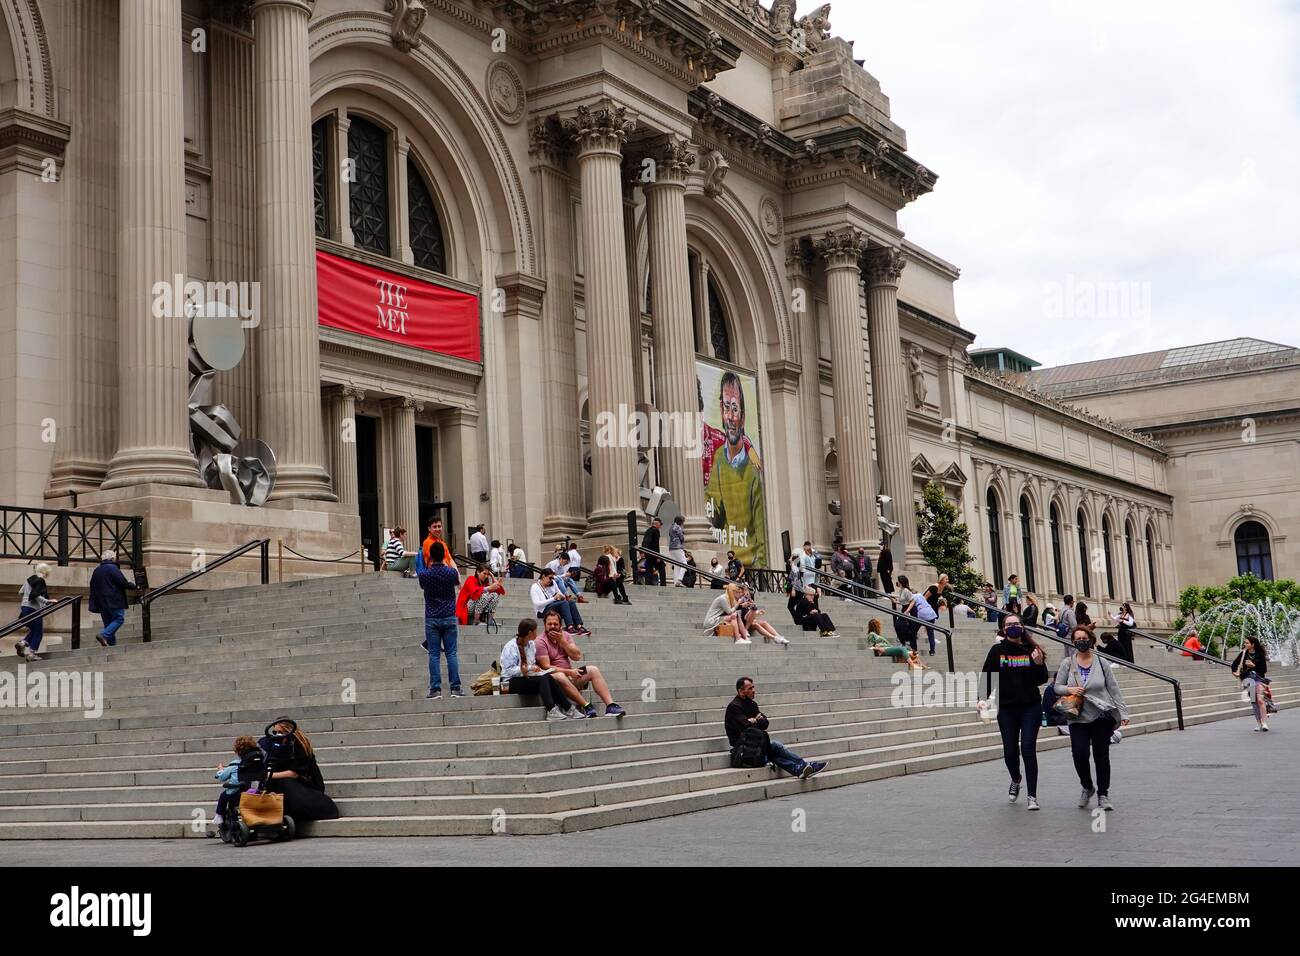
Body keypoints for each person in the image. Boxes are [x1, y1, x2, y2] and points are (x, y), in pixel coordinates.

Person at [979, 614, 1049, 811]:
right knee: (1010, 750)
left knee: (1028, 749)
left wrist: (1038, 663)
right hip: (1007, 708)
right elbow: (987, 676)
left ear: (1022, 627)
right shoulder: (997, 651)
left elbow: (1041, 679)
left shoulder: (1032, 651)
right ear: (1003, 629)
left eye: (1016, 624)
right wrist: (981, 699)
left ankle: (1032, 796)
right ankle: (1016, 778)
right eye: (1008, 625)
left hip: (1031, 707)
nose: (1013, 627)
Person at [1055, 627, 1130, 811]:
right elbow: (1057, 687)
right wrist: (1069, 690)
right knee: (1079, 754)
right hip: (1077, 715)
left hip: (1100, 715)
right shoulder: (1067, 663)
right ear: (1073, 642)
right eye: (1077, 638)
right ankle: (1087, 786)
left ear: (1091, 639)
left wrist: (1123, 712)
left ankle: (1103, 794)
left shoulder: (1101, 662)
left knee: (1101, 756)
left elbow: (1113, 688)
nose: (1081, 641)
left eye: (1084, 637)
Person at [704, 371, 767, 568]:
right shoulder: (719, 458)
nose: (730, 417)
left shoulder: (753, 467)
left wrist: (760, 569)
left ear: (743, 416)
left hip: (750, 566)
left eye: (735, 409)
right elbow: (713, 508)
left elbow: (760, 533)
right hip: (727, 559)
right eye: (725, 408)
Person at [726, 677, 826, 778]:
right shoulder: (734, 707)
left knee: (773, 750)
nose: (754, 690)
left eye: (753, 687)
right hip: (742, 749)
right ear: (741, 691)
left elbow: (765, 723)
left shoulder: (752, 704)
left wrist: (754, 720)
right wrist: (756, 720)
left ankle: (800, 768)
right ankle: (803, 766)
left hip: (755, 745)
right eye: (750, 688)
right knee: (775, 747)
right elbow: (746, 728)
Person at [534, 608, 627, 718]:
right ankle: (586, 706)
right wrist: (569, 672)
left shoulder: (565, 636)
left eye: (555, 624)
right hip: (554, 681)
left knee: (593, 670)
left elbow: (577, 656)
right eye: (550, 624)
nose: (553, 626)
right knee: (560, 676)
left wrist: (562, 642)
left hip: (569, 676)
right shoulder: (540, 641)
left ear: (560, 625)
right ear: (544, 624)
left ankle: (610, 706)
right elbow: (546, 667)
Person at [260, 718, 340, 821]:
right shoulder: (274, 745)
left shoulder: (299, 746)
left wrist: (269, 775)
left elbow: (294, 773)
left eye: (281, 732)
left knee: (284, 783)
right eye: (275, 732)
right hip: (285, 782)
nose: (277, 735)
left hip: (305, 783)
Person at [500, 619, 572, 721]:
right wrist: (529, 668)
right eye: (535, 631)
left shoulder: (531, 645)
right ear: (530, 633)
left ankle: (568, 707)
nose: (537, 633)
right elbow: (509, 671)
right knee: (542, 679)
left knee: (547, 676)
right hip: (508, 682)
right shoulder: (511, 647)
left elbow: (531, 663)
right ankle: (551, 710)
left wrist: (535, 670)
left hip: (526, 677)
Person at [418, 541, 463, 699]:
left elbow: (422, 584)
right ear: (444, 555)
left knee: (434, 654)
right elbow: (457, 581)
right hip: (449, 615)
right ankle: (455, 688)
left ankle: (435, 689)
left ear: (430, 556)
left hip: (432, 616)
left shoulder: (424, 574)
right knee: (451, 653)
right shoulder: (451, 573)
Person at [88, 550, 139, 648]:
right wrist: (132, 586)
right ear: (112, 558)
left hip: (101, 602)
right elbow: (121, 582)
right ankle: (103, 635)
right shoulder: (112, 568)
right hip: (113, 600)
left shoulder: (97, 570)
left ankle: (111, 645)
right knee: (118, 618)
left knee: (108, 623)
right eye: (115, 557)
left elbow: (92, 585)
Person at [211, 735, 260, 834]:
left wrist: (220, 770)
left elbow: (222, 777)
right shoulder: (258, 763)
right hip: (255, 791)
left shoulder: (235, 764)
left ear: (237, 751)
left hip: (236, 793)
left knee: (223, 796)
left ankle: (219, 816)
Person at [530, 568, 587, 634]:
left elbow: (560, 593)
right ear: (543, 576)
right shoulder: (535, 587)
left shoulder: (552, 583)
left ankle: (579, 626)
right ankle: (570, 627)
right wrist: (553, 598)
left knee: (571, 602)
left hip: (553, 606)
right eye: (550, 578)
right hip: (542, 611)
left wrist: (561, 596)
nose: (551, 580)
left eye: (552, 578)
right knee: (564, 603)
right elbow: (537, 604)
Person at [15, 562, 53, 660]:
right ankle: (32, 654)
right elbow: (36, 595)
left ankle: (23, 643)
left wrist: (26, 599)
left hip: (24, 608)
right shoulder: (40, 580)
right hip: (33, 609)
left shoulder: (29, 579)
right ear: (46, 572)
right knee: (38, 632)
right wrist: (47, 601)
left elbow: (20, 592)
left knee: (34, 630)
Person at [1232, 635, 1270, 731]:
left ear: (1252, 644)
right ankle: (1259, 723)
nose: (1245, 644)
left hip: (1259, 679)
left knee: (1260, 700)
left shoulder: (1260, 654)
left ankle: (1265, 723)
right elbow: (1234, 664)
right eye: (1245, 642)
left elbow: (1264, 670)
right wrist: (1235, 673)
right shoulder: (1243, 654)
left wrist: (1253, 665)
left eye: (1247, 643)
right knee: (1254, 702)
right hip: (1248, 680)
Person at [906, 584, 941, 655]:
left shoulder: (914, 596)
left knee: (913, 632)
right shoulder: (921, 596)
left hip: (922, 615)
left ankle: (914, 649)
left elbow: (912, 603)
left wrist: (907, 611)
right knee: (930, 633)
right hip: (931, 613)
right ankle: (932, 651)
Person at [640, 518, 664, 586]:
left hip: (647, 552)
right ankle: (663, 584)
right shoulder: (656, 531)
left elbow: (644, 541)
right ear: (657, 524)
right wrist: (658, 556)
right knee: (661, 565)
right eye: (660, 525)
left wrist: (642, 551)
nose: (660, 526)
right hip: (653, 553)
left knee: (649, 568)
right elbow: (656, 544)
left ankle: (648, 583)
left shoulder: (648, 530)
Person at [668, 514, 688, 585]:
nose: (683, 523)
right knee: (684, 564)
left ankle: (676, 582)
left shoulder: (671, 527)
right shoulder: (678, 528)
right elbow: (682, 538)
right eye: (683, 522)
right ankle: (679, 580)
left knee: (677, 565)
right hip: (678, 547)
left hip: (671, 548)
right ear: (680, 522)